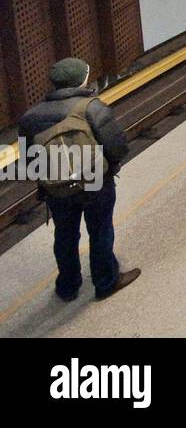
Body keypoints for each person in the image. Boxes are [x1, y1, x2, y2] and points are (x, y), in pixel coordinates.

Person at [18, 57, 138, 302]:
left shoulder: (29, 118)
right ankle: (106, 282)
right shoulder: (91, 106)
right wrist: (110, 166)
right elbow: (116, 144)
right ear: (81, 79)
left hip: (57, 191)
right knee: (100, 230)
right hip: (95, 183)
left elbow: (29, 160)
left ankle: (68, 286)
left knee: (65, 235)